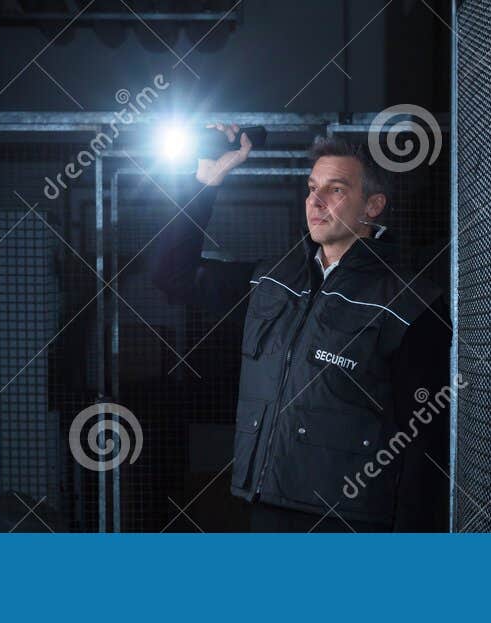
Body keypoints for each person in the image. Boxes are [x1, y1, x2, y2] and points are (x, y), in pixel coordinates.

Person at [149, 123, 451, 532]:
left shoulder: (409, 304)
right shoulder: (271, 281)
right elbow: (172, 274)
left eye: (336, 189)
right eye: (312, 188)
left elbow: (424, 442)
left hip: (349, 524)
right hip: (266, 509)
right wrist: (204, 182)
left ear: (372, 206)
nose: (316, 201)